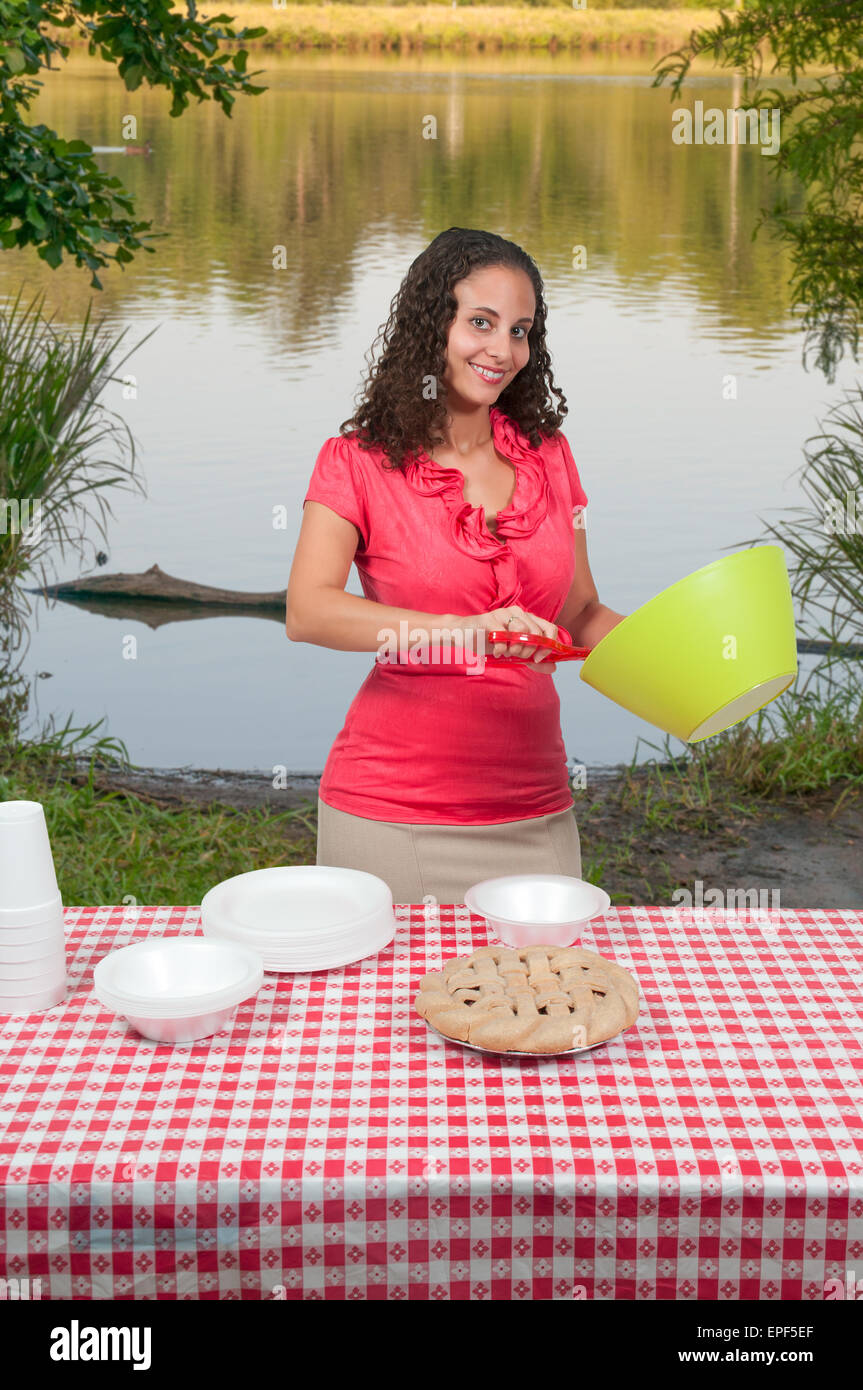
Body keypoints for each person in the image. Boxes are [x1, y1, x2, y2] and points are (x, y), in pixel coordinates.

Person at [286, 227, 625, 904]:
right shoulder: (357, 461)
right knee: (391, 1012)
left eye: (521, 330)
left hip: (537, 808)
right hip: (391, 813)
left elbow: (580, 613)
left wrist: (677, 654)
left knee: (546, 1004)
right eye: (481, 323)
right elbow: (309, 611)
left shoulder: (548, 457)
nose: (503, 350)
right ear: (430, 324)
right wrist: (469, 630)